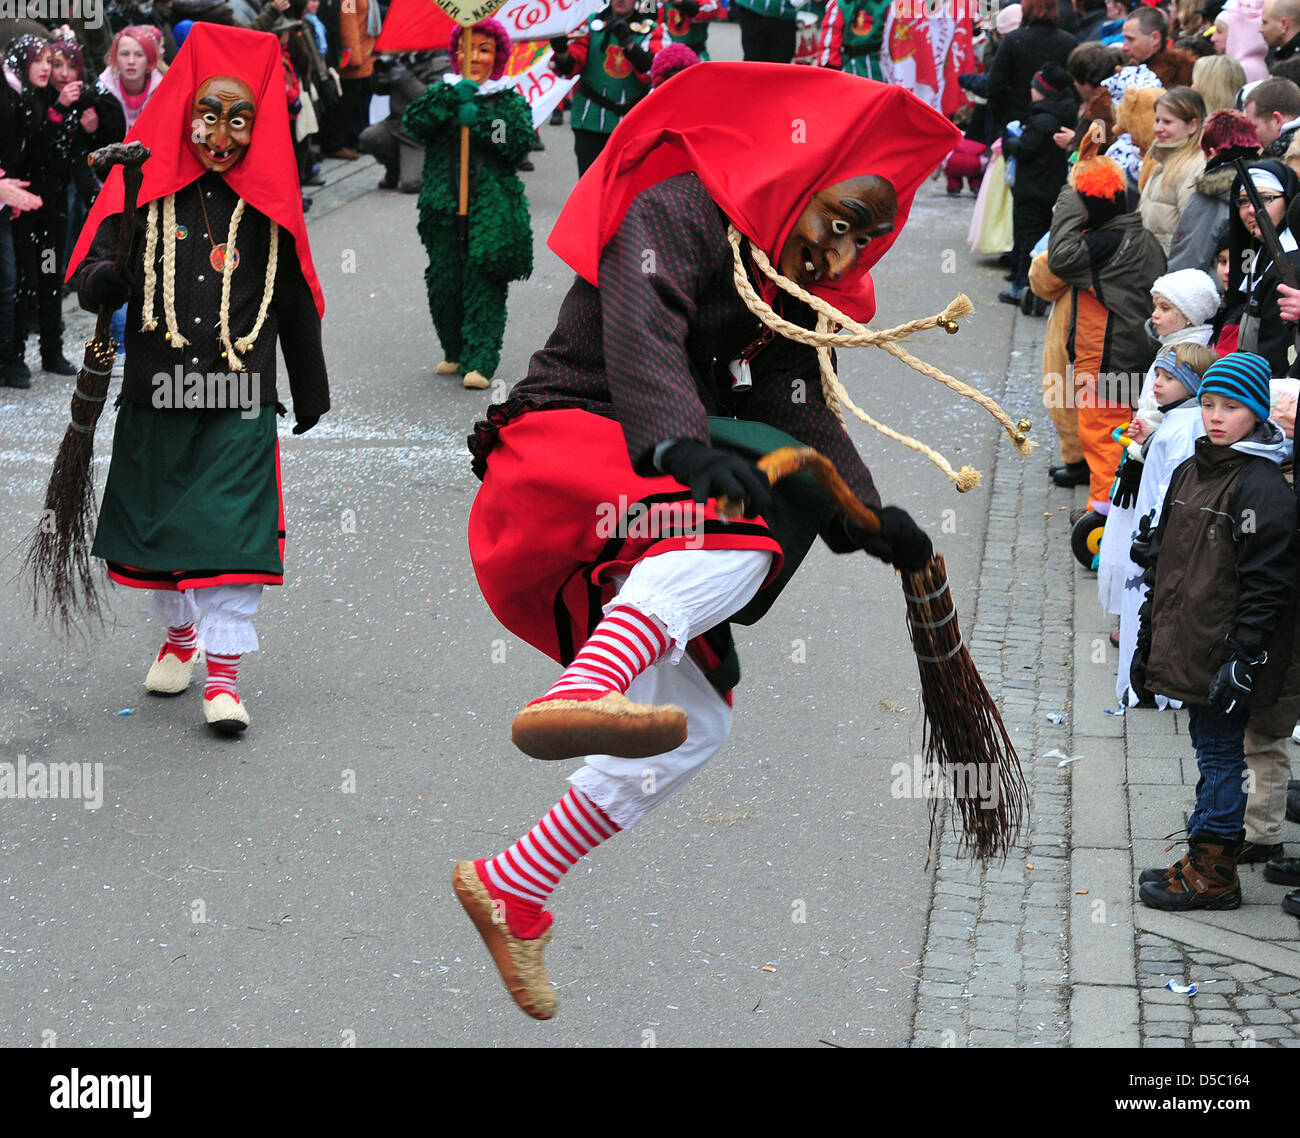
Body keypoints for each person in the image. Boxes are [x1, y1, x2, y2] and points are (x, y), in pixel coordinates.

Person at [454, 64, 959, 1020]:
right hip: (575, 438)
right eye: (837, 219)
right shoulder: (681, 208)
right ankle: (583, 689)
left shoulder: (783, 283)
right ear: (800, 182)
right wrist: (684, 444)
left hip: (652, 469)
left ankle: (515, 886)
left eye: (864, 235)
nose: (841, 247)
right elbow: (645, 323)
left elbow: (798, 406)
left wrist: (870, 517)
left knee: (705, 721)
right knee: (749, 529)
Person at [66, 22, 329, 734]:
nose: (220, 135)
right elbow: (91, 266)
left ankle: (225, 680)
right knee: (164, 531)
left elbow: (295, 297)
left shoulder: (269, 204)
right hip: (158, 393)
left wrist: (310, 391)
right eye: (208, 117)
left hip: (239, 397)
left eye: (239, 120)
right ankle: (179, 639)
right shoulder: (145, 184)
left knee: (232, 537)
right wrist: (102, 282)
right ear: (185, 114)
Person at [1133, 351, 1296, 911]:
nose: (1216, 416)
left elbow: (1265, 585)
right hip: (1191, 640)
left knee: (1224, 757)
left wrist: (1243, 657)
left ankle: (1215, 870)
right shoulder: (1194, 467)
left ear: (1256, 413)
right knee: (1210, 751)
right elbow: (1168, 563)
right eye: (1208, 404)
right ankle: (1203, 852)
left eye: (1232, 407)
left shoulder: (1261, 486)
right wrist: (1146, 639)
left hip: (1224, 648)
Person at [402, 18, 533, 392]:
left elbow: (517, 142)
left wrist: (482, 121)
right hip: (442, 206)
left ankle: (480, 359)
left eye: (484, 49)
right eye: (466, 48)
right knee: (444, 281)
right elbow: (415, 123)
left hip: (489, 207)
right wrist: (449, 101)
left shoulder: (505, 98)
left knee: (483, 279)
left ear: (498, 56)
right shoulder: (443, 91)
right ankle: (455, 350)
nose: (474, 56)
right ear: (455, 54)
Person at [1047, 146, 1165, 519]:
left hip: (1106, 362)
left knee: (1102, 437)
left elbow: (1059, 257)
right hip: (1133, 355)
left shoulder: (1102, 244)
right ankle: (1114, 506)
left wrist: (1070, 193)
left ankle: (1106, 515)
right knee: (1121, 434)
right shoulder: (1142, 238)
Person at [1105, 340, 1217, 705]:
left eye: (1170, 377)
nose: (1158, 383)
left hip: (1160, 537)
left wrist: (1154, 534)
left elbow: (1174, 485)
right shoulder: (1176, 420)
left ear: (1194, 383)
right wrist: (1147, 442)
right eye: (1159, 375)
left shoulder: (1186, 429)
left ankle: (1158, 689)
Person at [4, 35, 81, 378]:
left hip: (52, 212)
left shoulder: (59, 99)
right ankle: (15, 355)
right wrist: (58, 112)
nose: (55, 71)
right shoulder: (23, 99)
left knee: (50, 276)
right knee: (22, 282)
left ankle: (52, 350)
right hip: (22, 210)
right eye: (48, 62)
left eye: (61, 63)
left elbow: (75, 155)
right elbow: (32, 153)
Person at [999, 61, 1081, 305]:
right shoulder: (1066, 114)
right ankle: (1026, 280)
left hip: (1032, 188)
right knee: (1041, 236)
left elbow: (1025, 150)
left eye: (1034, 87)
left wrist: (1011, 139)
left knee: (1027, 237)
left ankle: (1022, 287)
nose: (1030, 90)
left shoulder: (1040, 120)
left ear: (1044, 91)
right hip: (1052, 187)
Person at [549, 0, 657, 176]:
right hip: (589, 118)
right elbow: (570, 68)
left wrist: (628, 42)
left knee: (625, 187)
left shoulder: (651, 30)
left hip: (632, 124)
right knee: (589, 183)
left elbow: (650, 73)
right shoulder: (590, 24)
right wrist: (561, 51)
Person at [1221, 159, 1300, 374]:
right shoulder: (1262, 253)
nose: (1251, 210)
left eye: (1265, 199)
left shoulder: (1291, 261)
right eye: (1244, 201)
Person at [1167, 108, 1259, 273]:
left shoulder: (1208, 196)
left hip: (1214, 293)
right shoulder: (1270, 187)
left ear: (1211, 152)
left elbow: (1189, 260)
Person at [985, 0, 1078, 147]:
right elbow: (1074, 85)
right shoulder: (1069, 42)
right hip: (1057, 126)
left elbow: (995, 85)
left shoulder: (1012, 40)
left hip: (1016, 121)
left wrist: (1003, 116)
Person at [1139, 86, 1206, 254]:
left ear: (1192, 126)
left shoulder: (1194, 167)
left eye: (1167, 122)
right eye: (1157, 120)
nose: (1158, 128)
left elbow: (1192, 232)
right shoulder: (1166, 160)